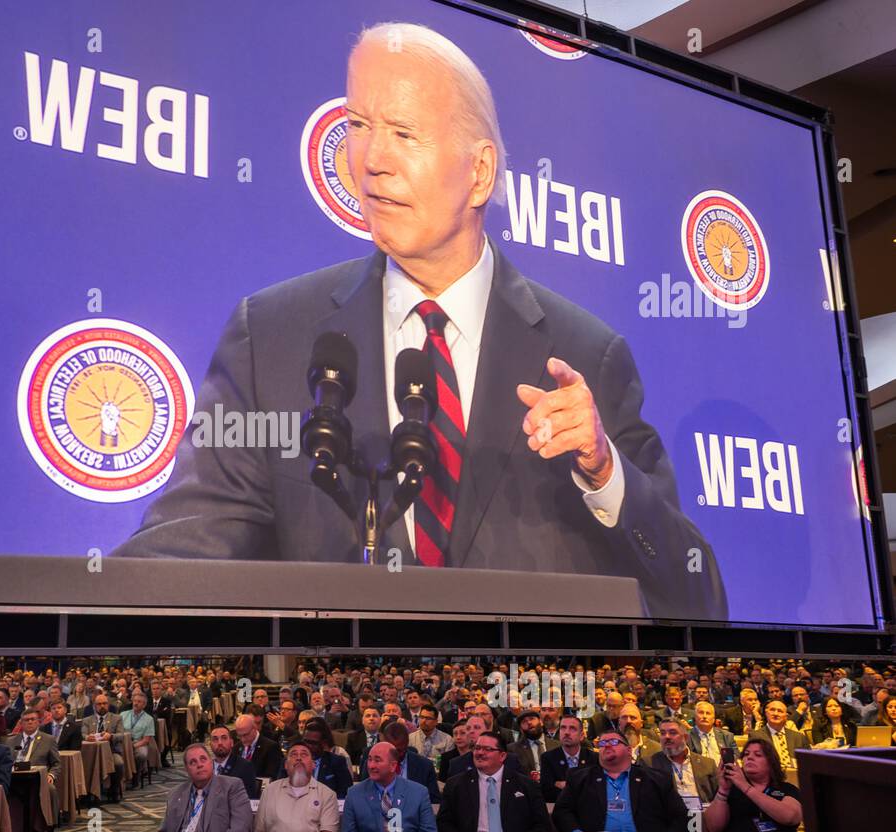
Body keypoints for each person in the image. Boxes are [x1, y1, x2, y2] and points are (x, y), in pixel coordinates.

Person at [112, 21, 726, 623]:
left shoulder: (587, 355)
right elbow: (178, 559)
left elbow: (696, 600)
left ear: (480, 171)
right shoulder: (270, 337)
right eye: (357, 126)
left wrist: (605, 472)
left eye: (404, 133)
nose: (371, 159)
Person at [552, 729, 689, 832]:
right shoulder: (579, 778)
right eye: (602, 743)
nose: (606, 745)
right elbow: (561, 812)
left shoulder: (657, 779)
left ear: (629, 750)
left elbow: (683, 816)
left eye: (613, 741)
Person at [438, 730, 553, 832]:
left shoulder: (527, 786)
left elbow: (542, 825)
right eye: (477, 748)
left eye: (487, 749)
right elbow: (444, 822)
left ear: (502, 756)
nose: (480, 753)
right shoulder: (455, 784)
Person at [150, 743, 253, 832]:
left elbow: (240, 829)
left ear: (211, 762)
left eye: (203, 759)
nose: (199, 765)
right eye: (193, 762)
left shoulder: (232, 787)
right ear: (187, 769)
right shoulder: (176, 793)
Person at [702, 739, 803, 832]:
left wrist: (746, 787)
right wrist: (723, 791)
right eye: (746, 754)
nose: (749, 757)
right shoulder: (730, 788)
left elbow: (790, 817)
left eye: (758, 755)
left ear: (771, 762)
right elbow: (713, 827)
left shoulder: (786, 789)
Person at [341, 742, 436, 832]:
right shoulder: (354, 794)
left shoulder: (419, 793)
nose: (371, 766)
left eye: (377, 760)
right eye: (369, 759)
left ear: (393, 766)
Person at [254, 742, 340, 832]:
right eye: (294, 754)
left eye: (304, 754)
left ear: (313, 765)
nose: (298, 758)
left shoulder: (327, 794)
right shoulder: (269, 791)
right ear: (286, 765)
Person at [650, 718, 719, 804]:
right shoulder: (650, 763)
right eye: (663, 733)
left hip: (702, 814)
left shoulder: (708, 764)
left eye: (672, 732)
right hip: (670, 815)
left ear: (685, 737)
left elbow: (718, 797)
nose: (667, 736)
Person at [539, 714, 599, 803]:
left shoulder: (593, 757)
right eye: (563, 728)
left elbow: (597, 789)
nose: (566, 732)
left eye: (572, 728)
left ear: (582, 735)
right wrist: (582, 786)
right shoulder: (548, 758)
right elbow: (547, 792)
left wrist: (564, 785)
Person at [750, 700, 809, 772]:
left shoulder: (799, 737)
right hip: (770, 777)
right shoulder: (756, 736)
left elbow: (809, 762)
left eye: (780, 711)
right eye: (772, 710)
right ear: (766, 713)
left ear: (786, 716)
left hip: (796, 776)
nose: (775, 713)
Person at [208, 724, 258, 798]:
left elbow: (249, 799)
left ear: (232, 743)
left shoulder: (245, 767)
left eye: (224, 738)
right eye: (215, 739)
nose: (220, 743)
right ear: (210, 745)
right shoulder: (206, 767)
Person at [120, 690, 157, 785]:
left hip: (139, 743)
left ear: (144, 705)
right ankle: (120, 779)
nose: (135, 703)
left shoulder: (149, 719)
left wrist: (134, 746)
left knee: (141, 754)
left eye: (139, 702)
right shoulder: (123, 715)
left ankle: (136, 776)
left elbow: (146, 740)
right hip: (123, 742)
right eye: (135, 701)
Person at [508, 709, 556, 780]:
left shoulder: (557, 745)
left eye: (532, 719)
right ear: (521, 728)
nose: (529, 722)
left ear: (541, 722)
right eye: (524, 721)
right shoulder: (513, 749)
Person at [235, 712, 282, 782]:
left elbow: (272, 777)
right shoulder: (236, 747)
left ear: (254, 729)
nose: (243, 739)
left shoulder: (271, 747)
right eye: (239, 736)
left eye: (245, 735)